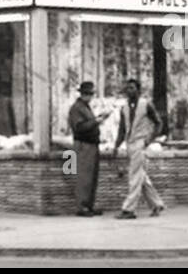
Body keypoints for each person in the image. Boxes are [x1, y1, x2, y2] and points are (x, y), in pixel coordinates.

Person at [115, 78, 166, 218]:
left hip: (140, 143)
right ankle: (156, 204)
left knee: (134, 176)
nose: (129, 91)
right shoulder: (124, 107)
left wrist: (149, 139)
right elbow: (122, 128)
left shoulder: (146, 105)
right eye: (127, 88)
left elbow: (158, 123)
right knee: (141, 177)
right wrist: (117, 144)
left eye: (132, 88)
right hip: (130, 143)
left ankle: (129, 209)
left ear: (138, 90)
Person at [68, 82, 110, 217]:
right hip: (83, 144)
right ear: (82, 94)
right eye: (87, 93)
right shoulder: (76, 108)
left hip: (91, 144)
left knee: (92, 176)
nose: (90, 96)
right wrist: (96, 121)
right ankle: (82, 206)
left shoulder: (85, 107)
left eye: (91, 94)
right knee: (84, 176)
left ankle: (89, 205)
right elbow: (79, 127)